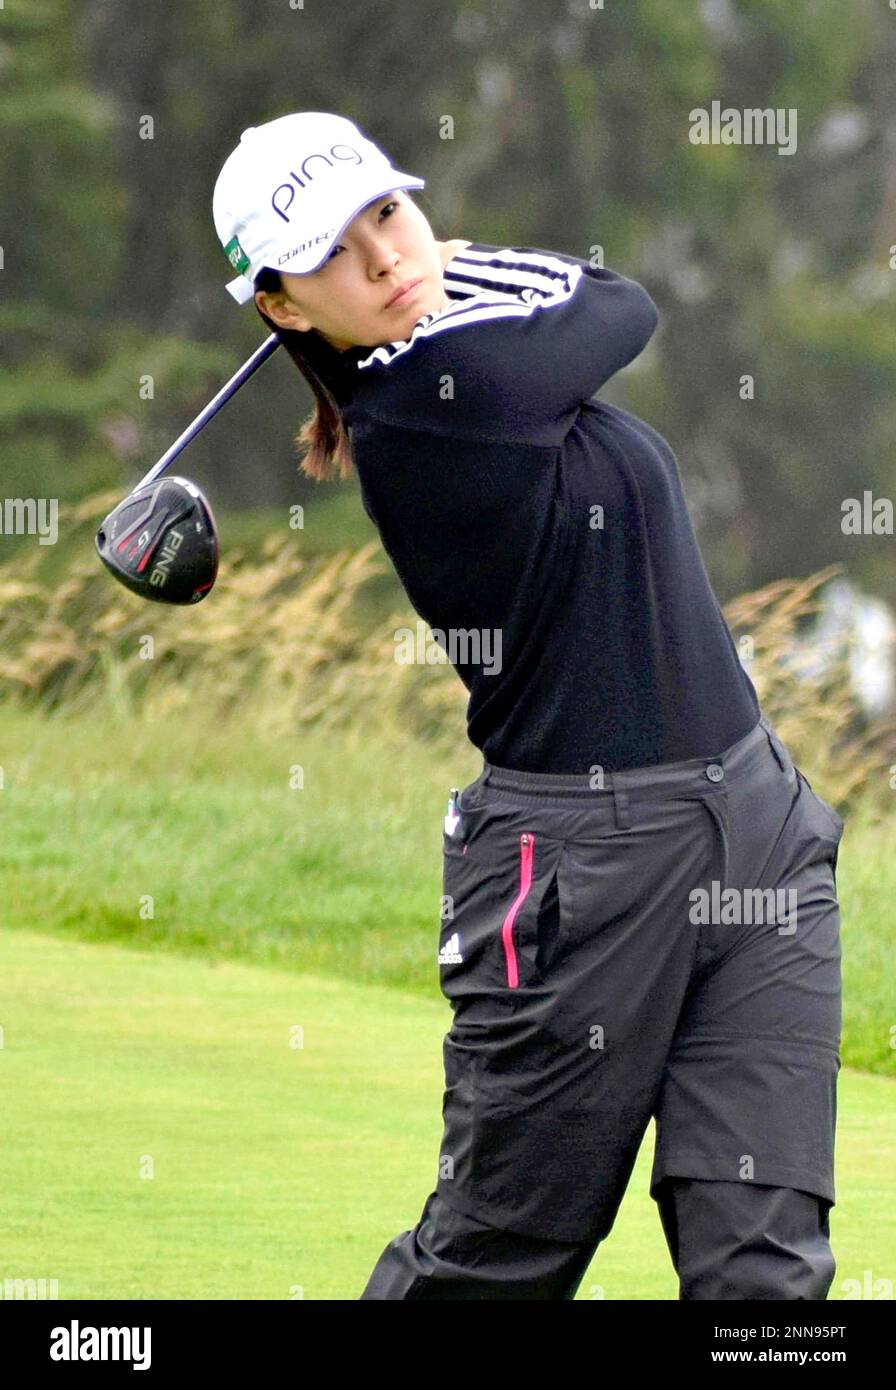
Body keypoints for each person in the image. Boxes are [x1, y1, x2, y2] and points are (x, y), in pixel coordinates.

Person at [212, 111, 846, 1300]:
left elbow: (581, 307)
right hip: (578, 877)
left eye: (387, 215)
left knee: (763, 1269)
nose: (383, 256)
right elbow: (616, 301)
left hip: (757, 821)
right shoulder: (440, 395)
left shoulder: (459, 360)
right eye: (331, 251)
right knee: (491, 1266)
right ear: (285, 306)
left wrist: (421, 274)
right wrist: (455, 266)